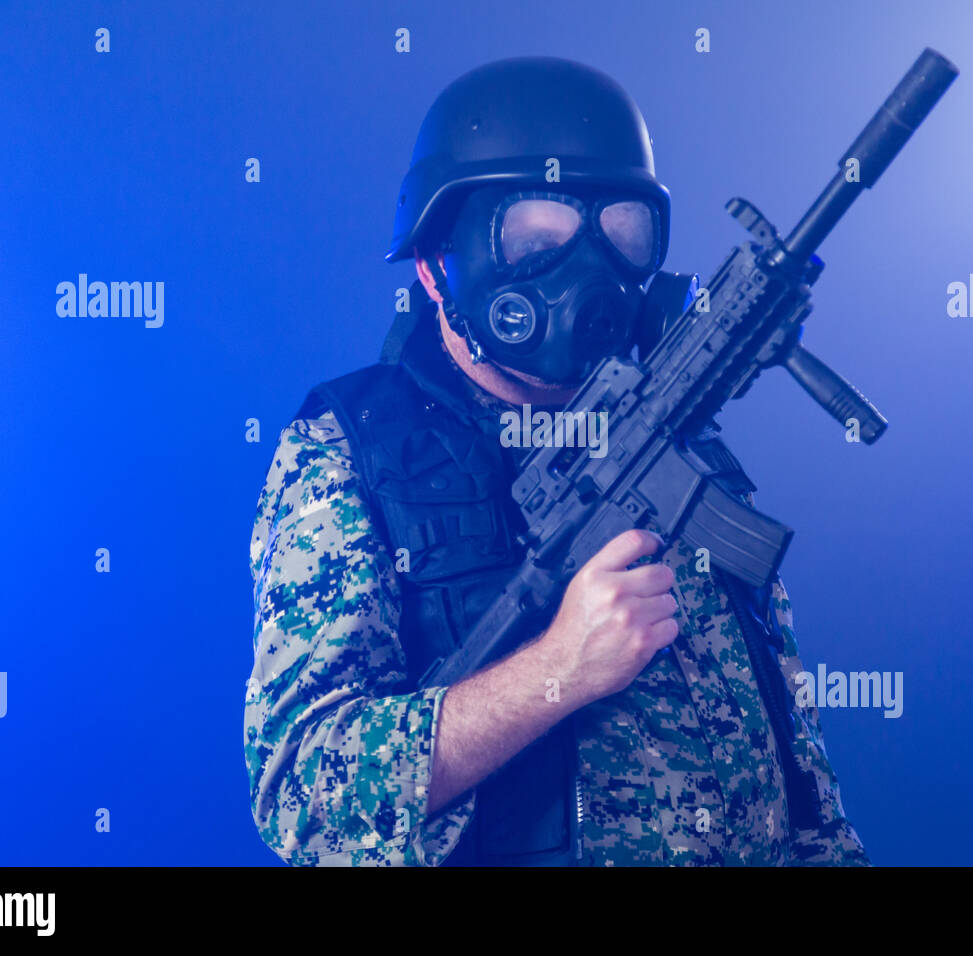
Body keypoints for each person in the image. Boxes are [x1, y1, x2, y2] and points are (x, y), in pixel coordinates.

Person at [244, 56, 869, 866]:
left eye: (621, 234)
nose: (587, 274)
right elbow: (306, 799)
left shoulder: (682, 443)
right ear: (438, 265)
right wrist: (556, 671)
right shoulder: (348, 456)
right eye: (535, 240)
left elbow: (797, 774)